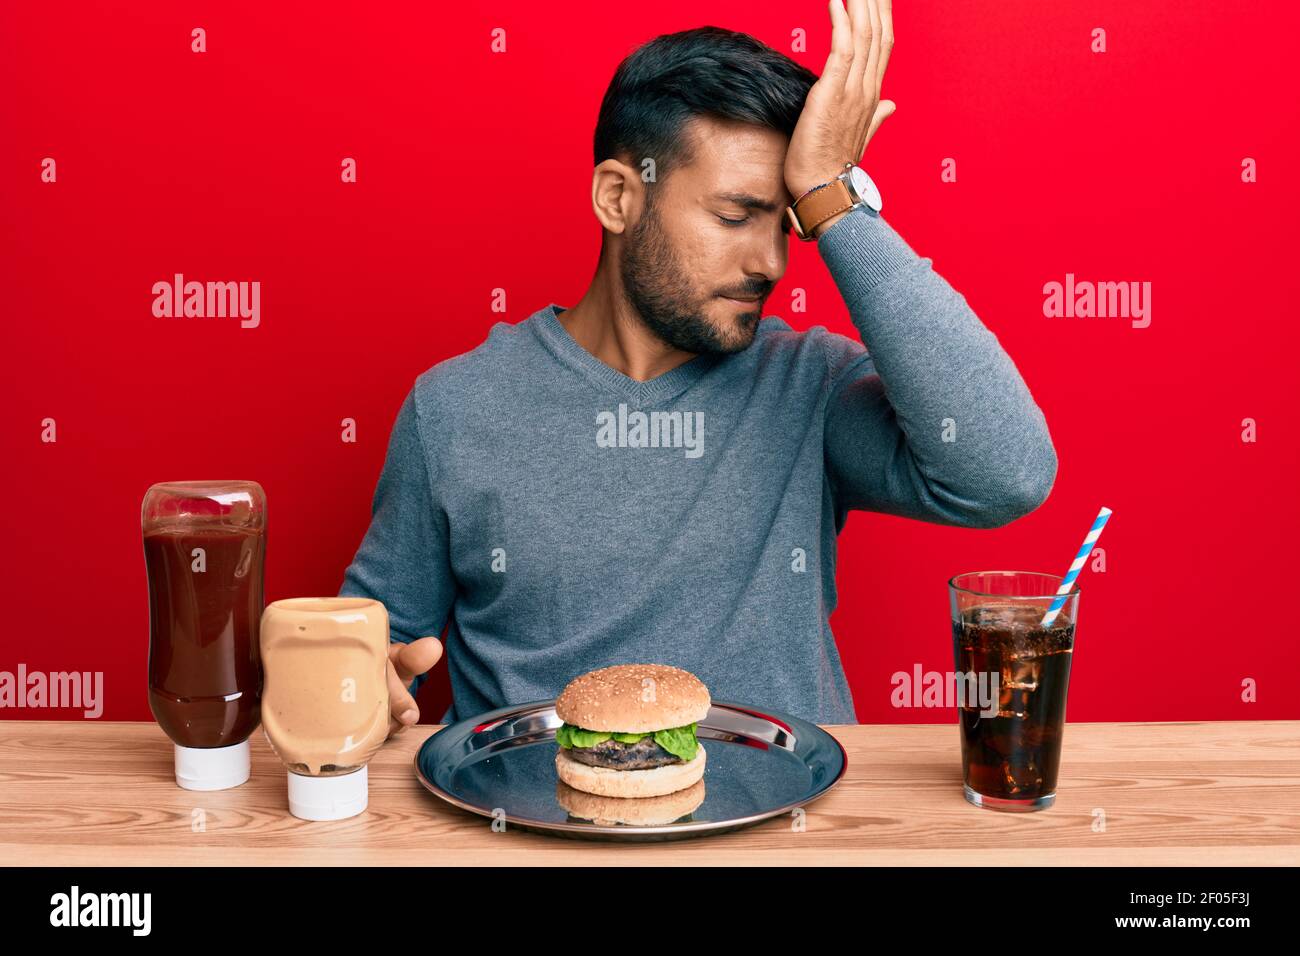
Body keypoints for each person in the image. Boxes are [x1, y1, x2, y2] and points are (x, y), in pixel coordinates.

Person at [339, 1, 1058, 737]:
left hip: (785, 834)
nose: (771, 262)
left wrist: (836, 203)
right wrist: (363, 681)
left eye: (787, 222)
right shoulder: (457, 407)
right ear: (619, 197)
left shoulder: (809, 388)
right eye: (734, 216)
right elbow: (375, 647)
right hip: (540, 826)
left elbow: (1005, 473)